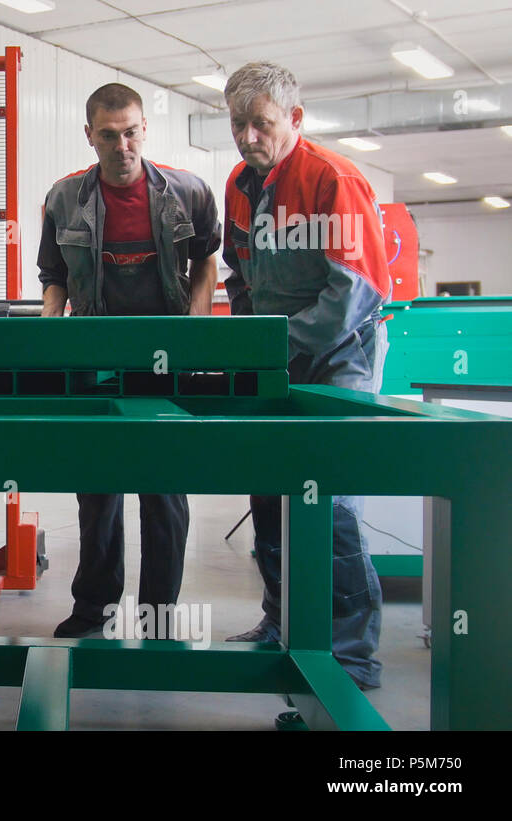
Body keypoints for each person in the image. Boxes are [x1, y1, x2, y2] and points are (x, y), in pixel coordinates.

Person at [220, 61, 390, 689]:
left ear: (294, 119)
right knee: (268, 490)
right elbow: (240, 274)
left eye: (260, 124)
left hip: (340, 354)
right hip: (273, 354)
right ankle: (279, 621)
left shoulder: (334, 179)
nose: (247, 137)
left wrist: (271, 343)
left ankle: (350, 654)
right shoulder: (240, 184)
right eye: (238, 124)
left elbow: (358, 292)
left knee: (331, 502)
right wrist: (245, 341)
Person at [37, 83, 220, 639]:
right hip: (95, 356)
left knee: (163, 491)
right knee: (97, 489)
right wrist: (51, 339)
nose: (123, 145)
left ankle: (159, 615)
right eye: (110, 135)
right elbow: (55, 279)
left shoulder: (187, 193)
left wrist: (194, 321)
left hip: (165, 360)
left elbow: (208, 259)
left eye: (132, 131)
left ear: (146, 129)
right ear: (89, 136)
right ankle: (94, 608)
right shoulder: (64, 198)